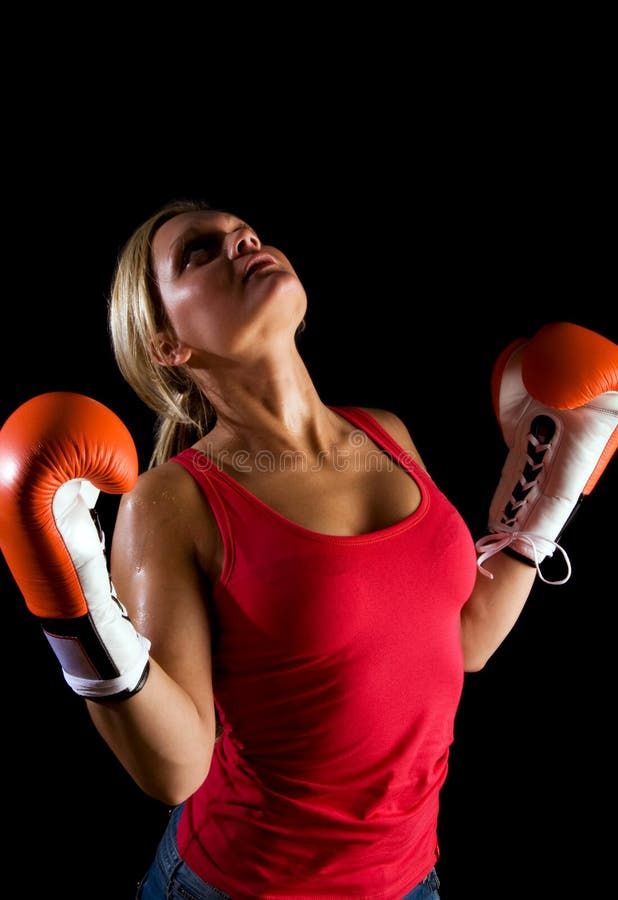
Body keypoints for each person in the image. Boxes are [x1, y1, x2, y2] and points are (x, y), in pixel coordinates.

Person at [0, 198, 616, 900]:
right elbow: (174, 770)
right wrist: (73, 605)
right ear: (168, 346)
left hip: (410, 878)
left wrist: (548, 497)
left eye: (246, 233)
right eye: (200, 251)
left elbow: (464, 638)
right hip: (245, 886)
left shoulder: (385, 432)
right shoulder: (172, 502)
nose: (241, 241)